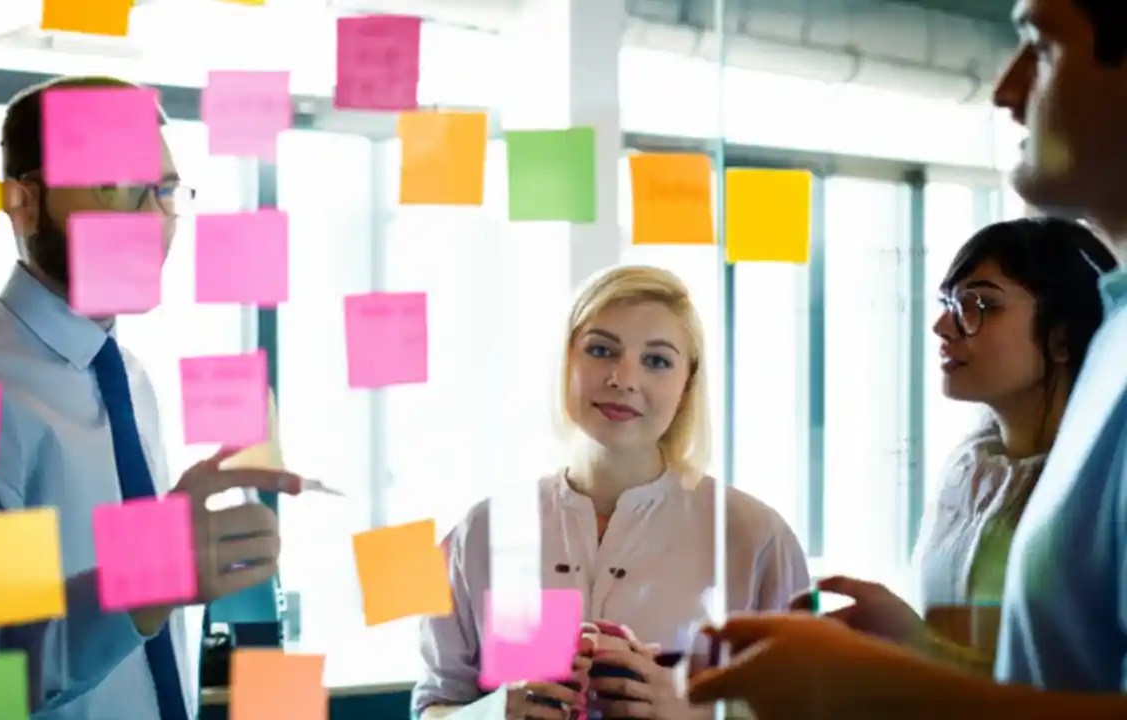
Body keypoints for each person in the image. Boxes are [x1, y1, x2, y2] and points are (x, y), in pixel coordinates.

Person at [687, 0, 1127, 717]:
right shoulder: (1111, 345)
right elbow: (1065, 674)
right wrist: (915, 647)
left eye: (1042, 47)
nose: (1006, 88)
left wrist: (883, 683)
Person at [0, 76, 299, 719]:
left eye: (163, 191)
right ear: (24, 204)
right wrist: (150, 580)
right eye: (115, 187)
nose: (152, 220)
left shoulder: (130, 379)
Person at [414, 265, 810, 720]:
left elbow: (807, 707)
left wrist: (696, 712)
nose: (624, 379)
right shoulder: (480, 534)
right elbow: (433, 706)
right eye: (601, 350)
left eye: (657, 360)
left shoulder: (755, 537)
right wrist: (493, 713)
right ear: (566, 361)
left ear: (687, 384)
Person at [793, 218, 1118, 675]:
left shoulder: (1101, 483)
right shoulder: (969, 468)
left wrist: (912, 644)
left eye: (981, 304)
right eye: (950, 302)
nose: (944, 325)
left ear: (1062, 335)